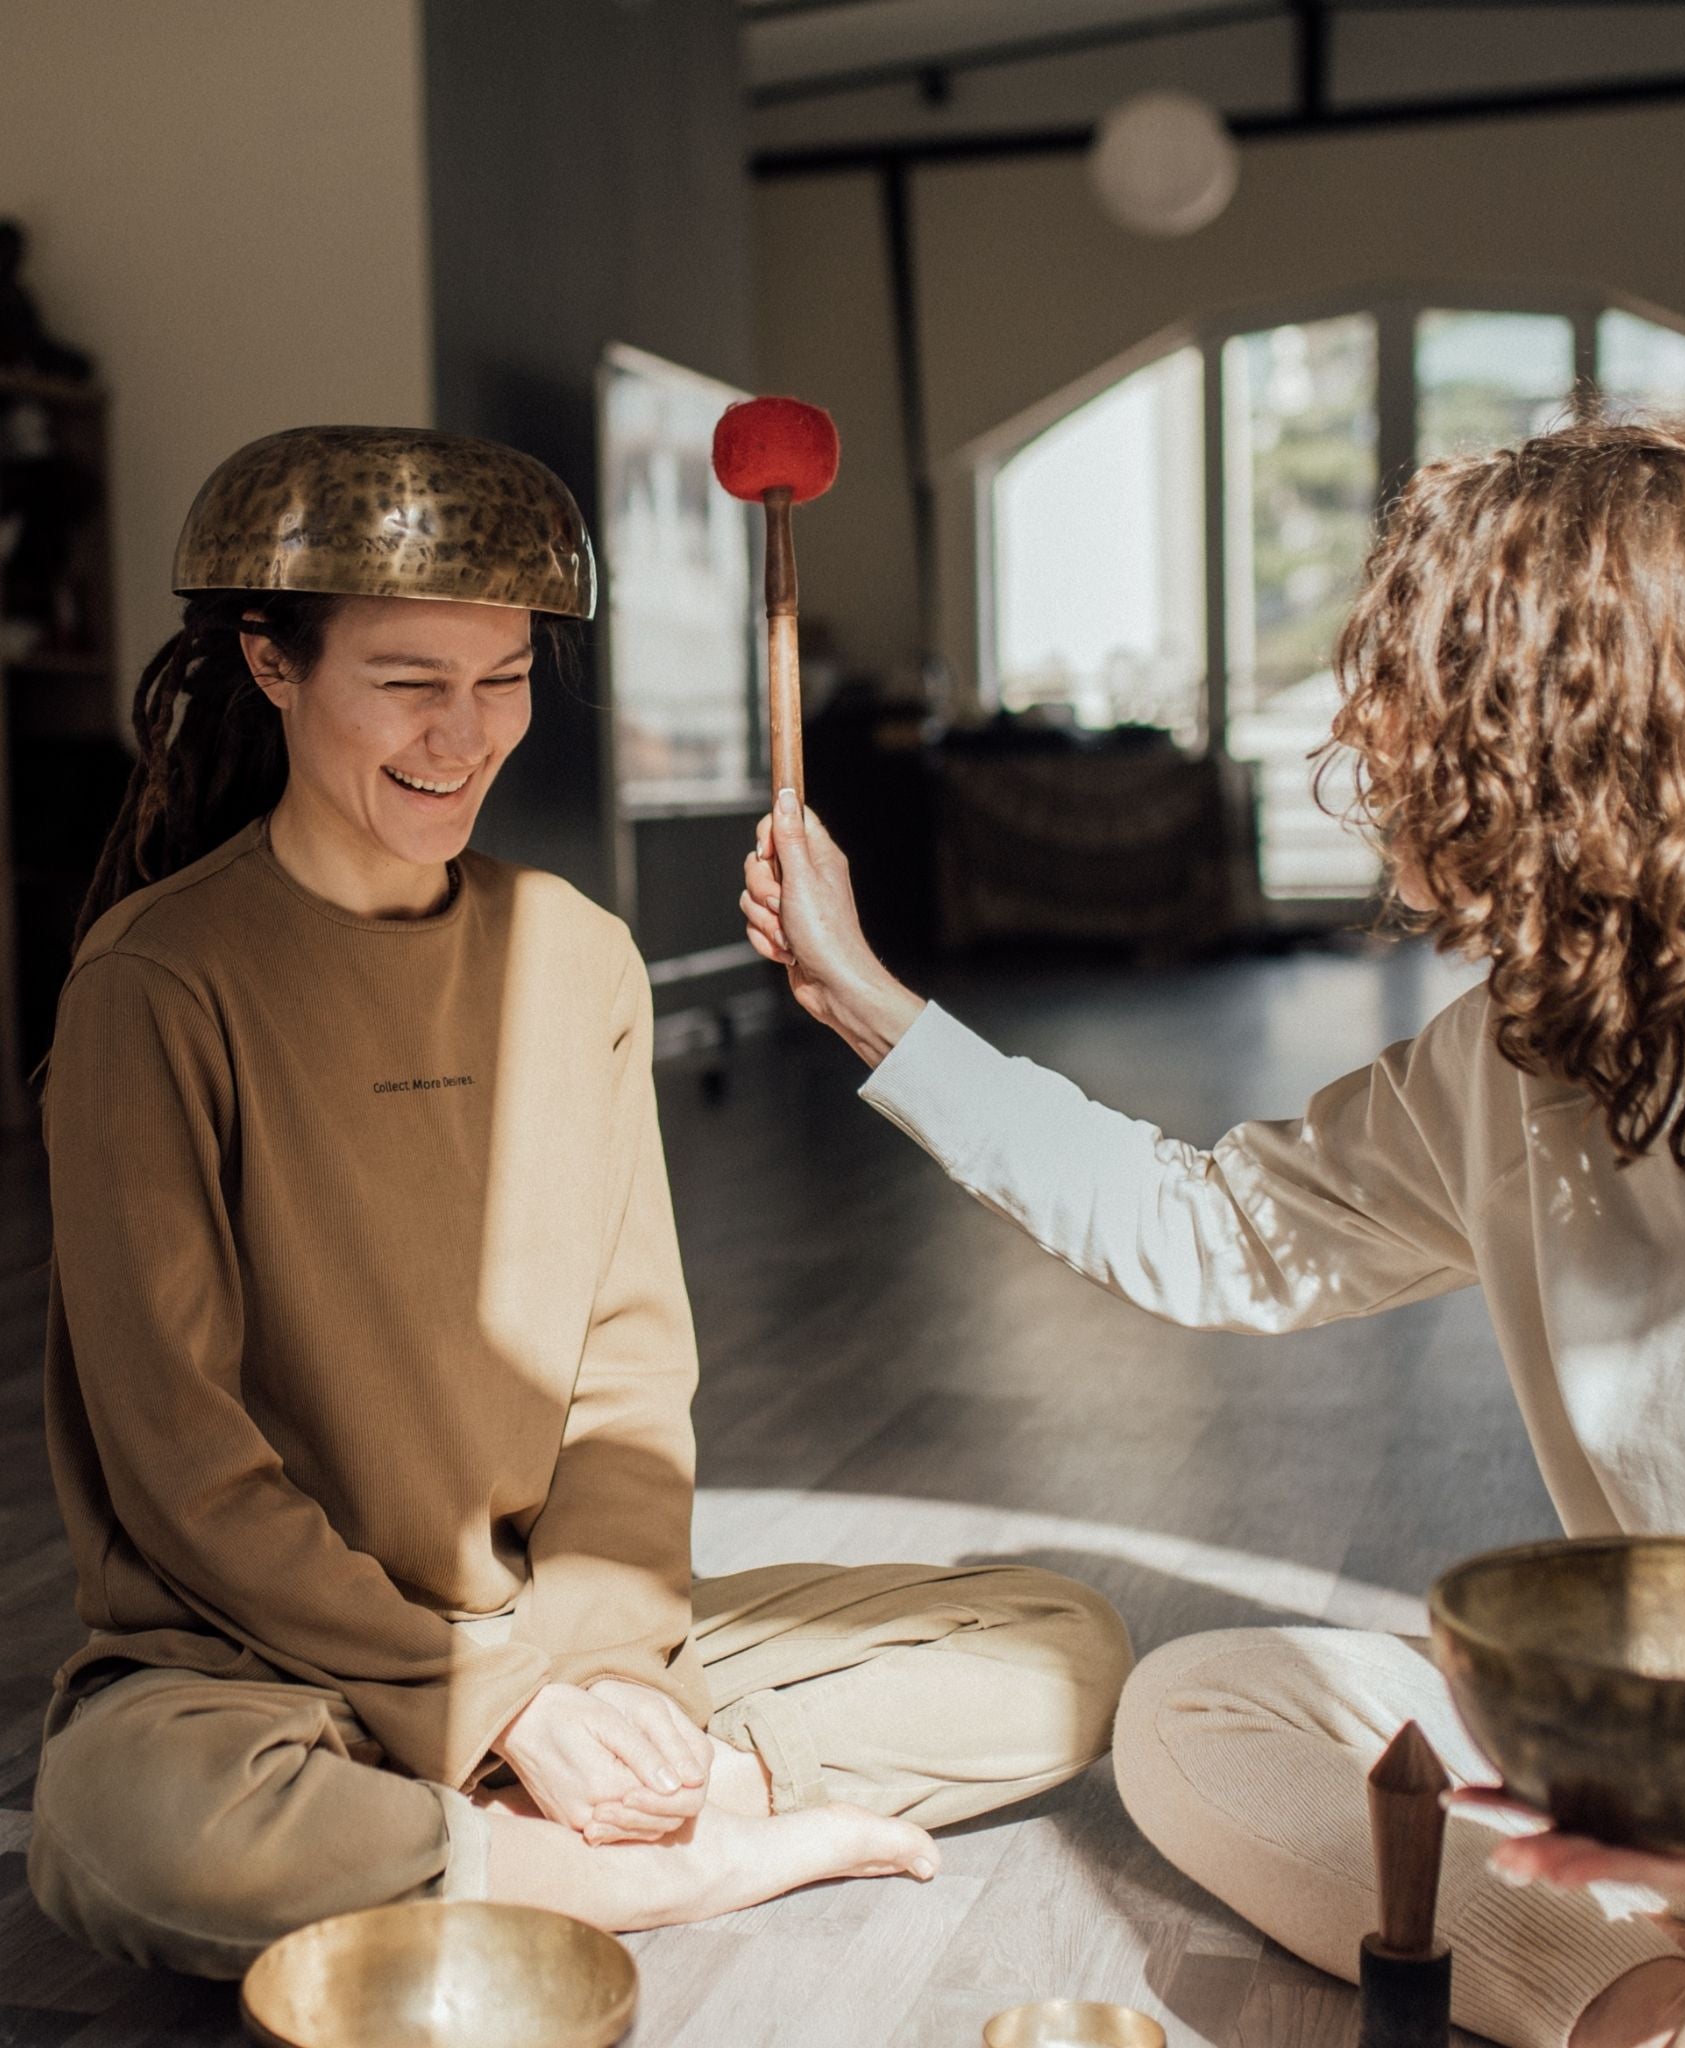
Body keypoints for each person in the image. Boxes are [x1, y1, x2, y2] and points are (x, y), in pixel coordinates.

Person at [741, 419, 1685, 2048]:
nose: (1371, 740)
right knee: (1201, 1713)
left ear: (1568, 728)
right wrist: (874, 1008)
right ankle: (1655, 2007)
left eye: (1415, 694)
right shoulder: (1519, 1052)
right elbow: (1212, 1230)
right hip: (1680, 1816)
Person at [28, 426, 1130, 1980]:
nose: (465, 735)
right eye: (410, 680)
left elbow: (628, 1378)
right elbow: (183, 1471)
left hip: (559, 1634)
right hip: (267, 1671)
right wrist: (501, 1706)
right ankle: (666, 1861)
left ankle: (519, 1852)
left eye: (504, 678)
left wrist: (601, 1678)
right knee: (126, 1825)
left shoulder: (580, 956)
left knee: (1063, 1654)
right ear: (272, 665)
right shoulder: (154, 983)